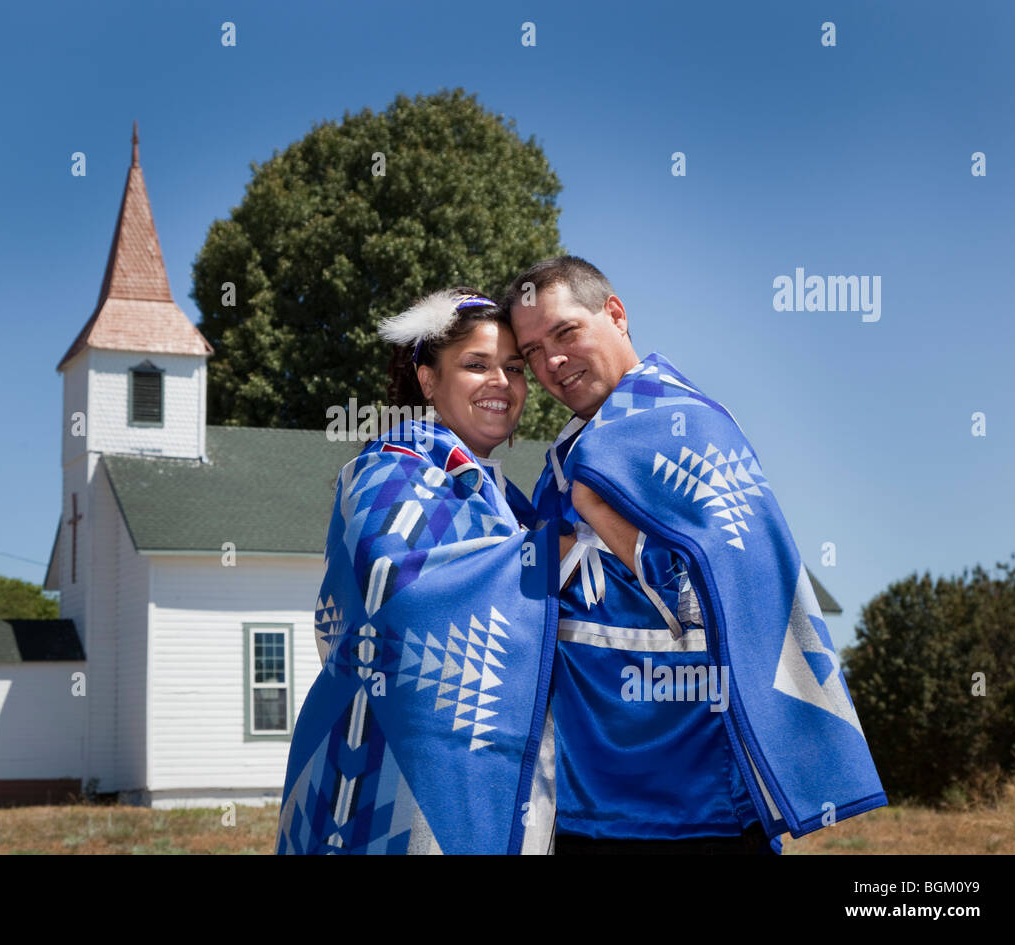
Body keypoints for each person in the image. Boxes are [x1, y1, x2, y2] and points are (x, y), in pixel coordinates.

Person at [503, 256, 886, 854]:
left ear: (616, 314)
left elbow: (729, 607)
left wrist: (602, 514)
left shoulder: (688, 429)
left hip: (695, 807)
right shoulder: (561, 462)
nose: (551, 362)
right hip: (583, 810)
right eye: (530, 352)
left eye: (565, 332)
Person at [276, 288, 573, 854]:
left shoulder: (512, 499)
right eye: (476, 365)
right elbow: (388, 587)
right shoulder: (388, 466)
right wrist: (559, 549)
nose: (502, 383)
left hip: (488, 772)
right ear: (428, 380)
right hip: (388, 770)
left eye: (514, 368)